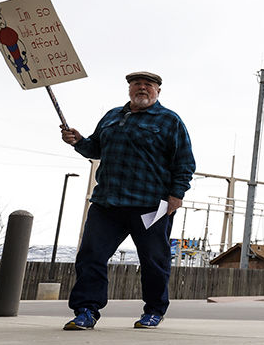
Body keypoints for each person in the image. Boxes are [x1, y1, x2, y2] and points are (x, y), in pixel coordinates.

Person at [60, 71, 195, 330]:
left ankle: (154, 311)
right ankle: (86, 311)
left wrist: (176, 195)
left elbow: (185, 162)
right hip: (107, 203)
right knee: (91, 256)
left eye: (148, 85)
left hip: (150, 205)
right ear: (129, 90)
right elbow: (95, 149)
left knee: (154, 260)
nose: (142, 88)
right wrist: (78, 141)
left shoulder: (170, 121)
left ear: (157, 91)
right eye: (137, 84)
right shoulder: (112, 116)